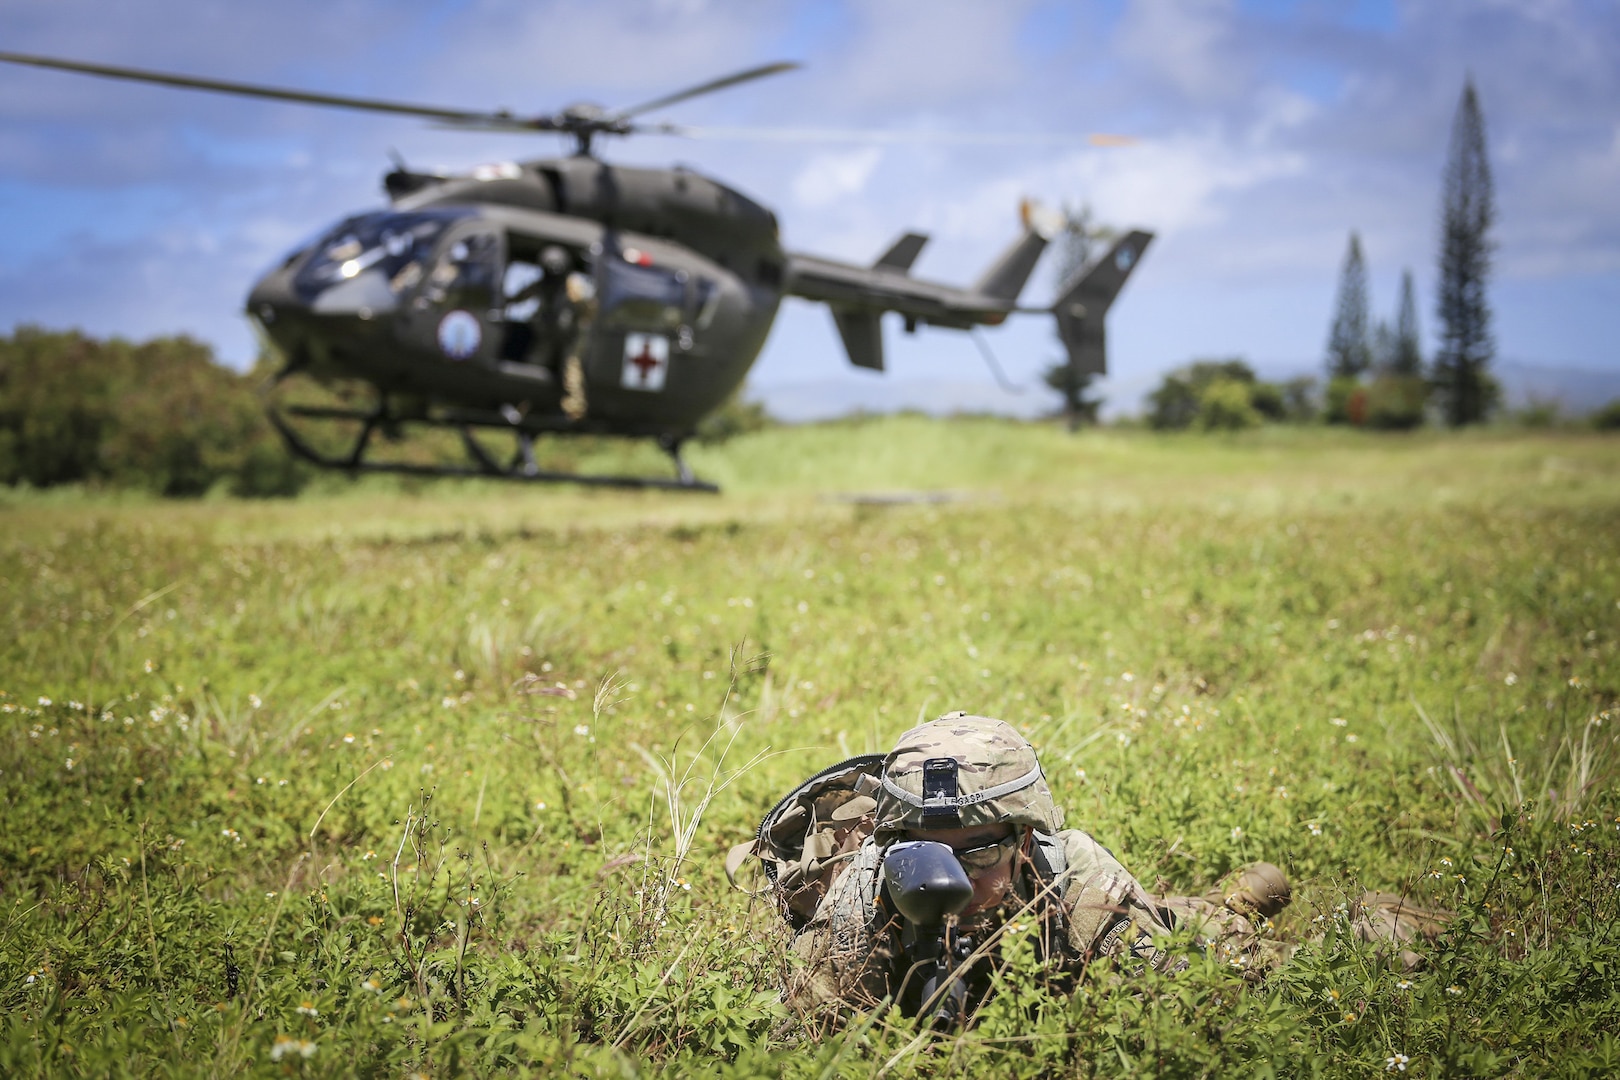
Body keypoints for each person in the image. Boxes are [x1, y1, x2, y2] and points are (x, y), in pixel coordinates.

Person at [774, 712, 1445, 1024]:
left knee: (1243, 968)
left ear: (1023, 836)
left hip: (1116, 925)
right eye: (923, 850)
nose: (949, 875)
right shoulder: (855, 911)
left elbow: (1203, 1012)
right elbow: (806, 1041)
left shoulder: (1086, 893)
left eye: (978, 849)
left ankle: (1243, 911)